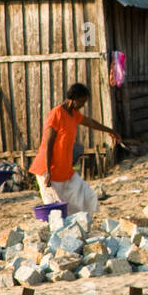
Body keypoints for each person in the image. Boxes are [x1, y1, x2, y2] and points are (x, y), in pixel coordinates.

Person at [28, 83, 120, 215]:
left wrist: (110, 131)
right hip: (49, 170)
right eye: (82, 101)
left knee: (86, 196)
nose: (83, 105)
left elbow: (90, 123)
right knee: (57, 210)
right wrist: (48, 172)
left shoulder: (73, 114)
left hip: (65, 170)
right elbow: (48, 144)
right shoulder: (56, 114)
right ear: (74, 98)